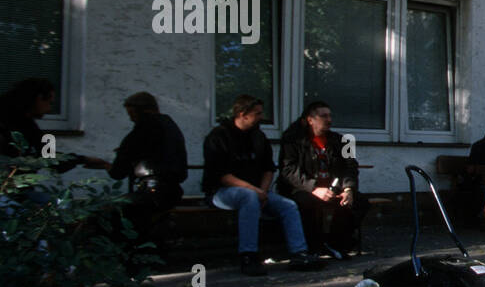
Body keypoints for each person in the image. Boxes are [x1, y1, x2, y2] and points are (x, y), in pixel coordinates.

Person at [202, 95, 321, 275]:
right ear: (243, 114)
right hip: (222, 192)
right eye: (257, 113)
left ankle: (299, 253)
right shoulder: (218, 137)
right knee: (248, 197)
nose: (261, 117)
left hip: (256, 192)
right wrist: (256, 191)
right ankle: (248, 255)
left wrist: (263, 191)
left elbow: (268, 169)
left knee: (288, 206)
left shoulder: (258, 137)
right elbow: (223, 176)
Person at [277, 101, 369, 257]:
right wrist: (314, 188)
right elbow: (288, 170)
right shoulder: (291, 140)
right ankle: (314, 245)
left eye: (330, 115)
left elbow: (351, 166)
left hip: (334, 189)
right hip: (304, 189)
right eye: (323, 116)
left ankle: (336, 242)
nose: (329, 120)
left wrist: (348, 189)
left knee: (358, 202)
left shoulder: (345, 140)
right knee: (307, 202)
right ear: (310, 119)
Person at [105, 91, 188, 246]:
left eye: (132, 114)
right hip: (173, 191)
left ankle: (123, 256)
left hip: (151, 192)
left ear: (142, 111)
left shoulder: (144, 127)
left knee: (110, 213)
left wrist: (105, 165)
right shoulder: (170, 125)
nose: (131, 119)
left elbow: (118, 171)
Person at [0, 77, 110, 171]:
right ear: (39, 98)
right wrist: (83, 159)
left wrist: (82, 159)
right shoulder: (15, 124)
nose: (50, 110)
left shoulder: (26, 123)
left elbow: (49, 155)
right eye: (50, 103)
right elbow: (48, 156)